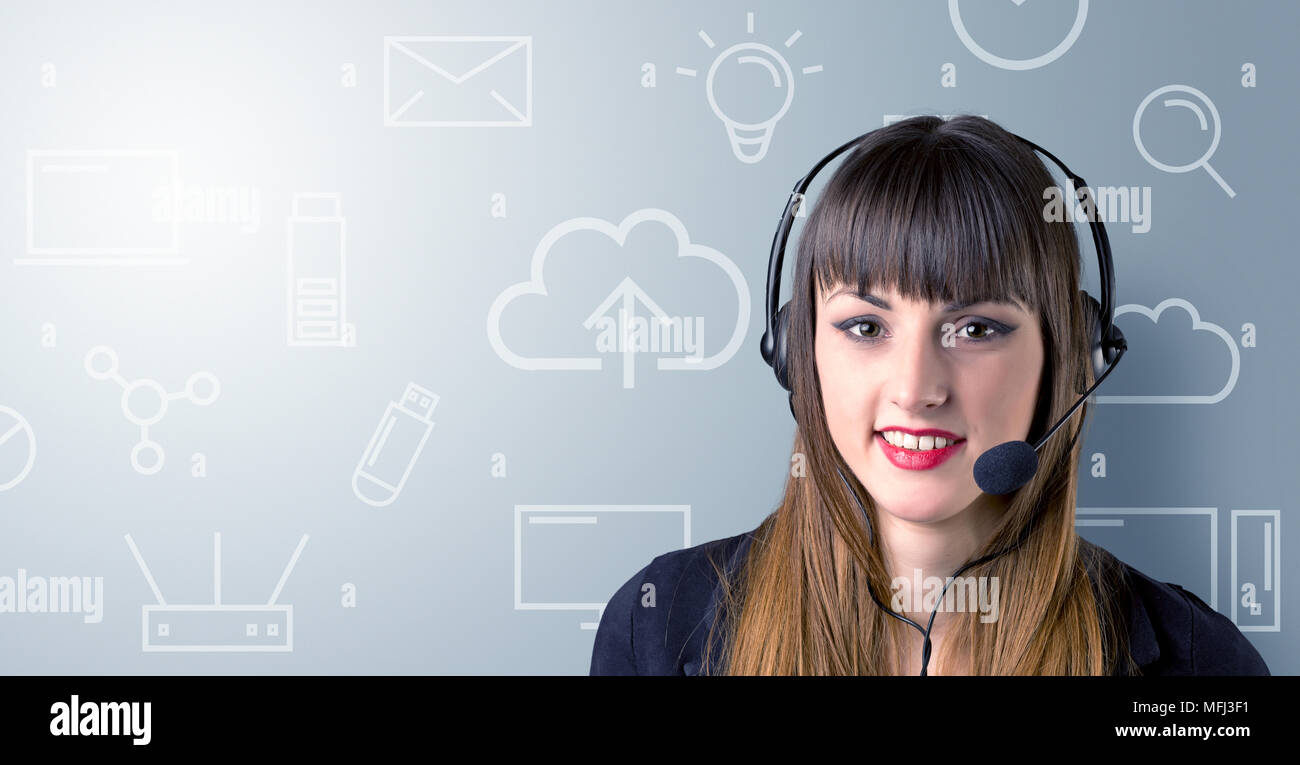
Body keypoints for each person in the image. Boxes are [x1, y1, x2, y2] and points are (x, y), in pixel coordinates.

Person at [589, 115, 1270, 676]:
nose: (916, 388)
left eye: (975, 328)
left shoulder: (1196, 666)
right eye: (865, 326)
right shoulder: (658, 627)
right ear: (798, 353)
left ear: (1067, 358)